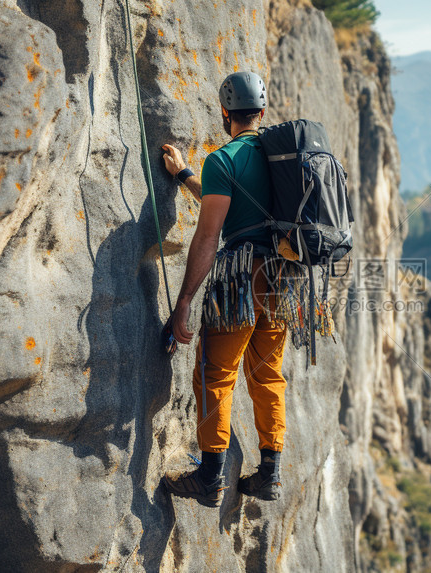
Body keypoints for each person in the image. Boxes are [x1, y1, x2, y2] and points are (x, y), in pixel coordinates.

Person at [160, 71, 286, 507]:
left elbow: (209, 233)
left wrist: (184, 301)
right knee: (267, 373)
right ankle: (270, 472)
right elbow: (229, 204)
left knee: (216, 373)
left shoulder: (224, 158)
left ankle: (210, 476)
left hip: (242, 278)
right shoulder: (278, 157)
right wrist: (185, 175)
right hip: (284, 280)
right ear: (262, 112)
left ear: (224, 112)